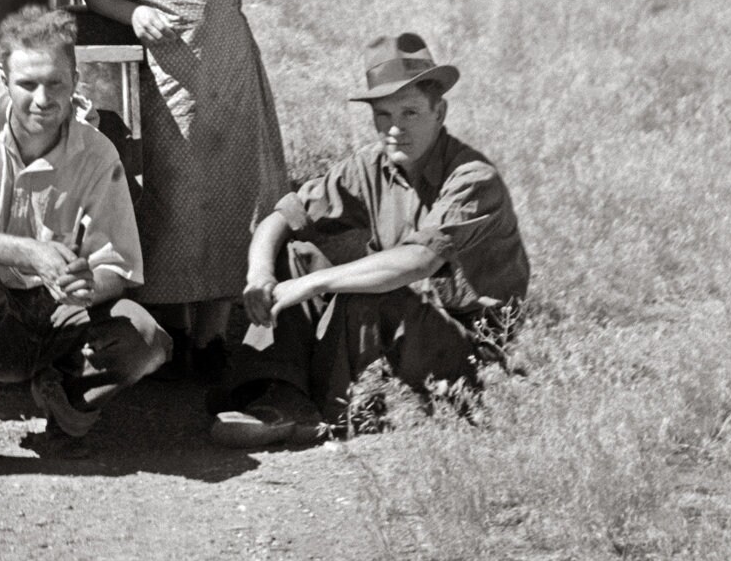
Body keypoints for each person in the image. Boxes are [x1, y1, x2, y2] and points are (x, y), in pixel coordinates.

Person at [210, 33, 530, 449]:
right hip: (405, 326)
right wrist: (260, 274)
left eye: (410, 112)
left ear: (440, 112)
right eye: (383, 115)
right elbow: (282, 217)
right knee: (297, 254)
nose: (395, 129)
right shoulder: (372, 165)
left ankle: (328, 412)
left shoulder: (472, 178)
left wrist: (313, 284)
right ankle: (278, 394)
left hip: (469, 351)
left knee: (368, 290)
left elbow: (417, 262)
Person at [73, 0, 286, 366]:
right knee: (169, 195)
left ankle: (212, 337)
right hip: (162, 71)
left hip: (227, 60)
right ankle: (169, 334)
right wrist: (134, 13)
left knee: (232, 188)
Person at [0, 6, 169, 486]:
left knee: (145, 340)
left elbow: (118, 267)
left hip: (61, 317)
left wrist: (87, 285)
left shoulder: (98, 153)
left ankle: (65, 412)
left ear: (76, 80)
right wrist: (32, 253)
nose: (42, 99)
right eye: (27, 84)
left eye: (56, 83)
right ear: (4, 81)